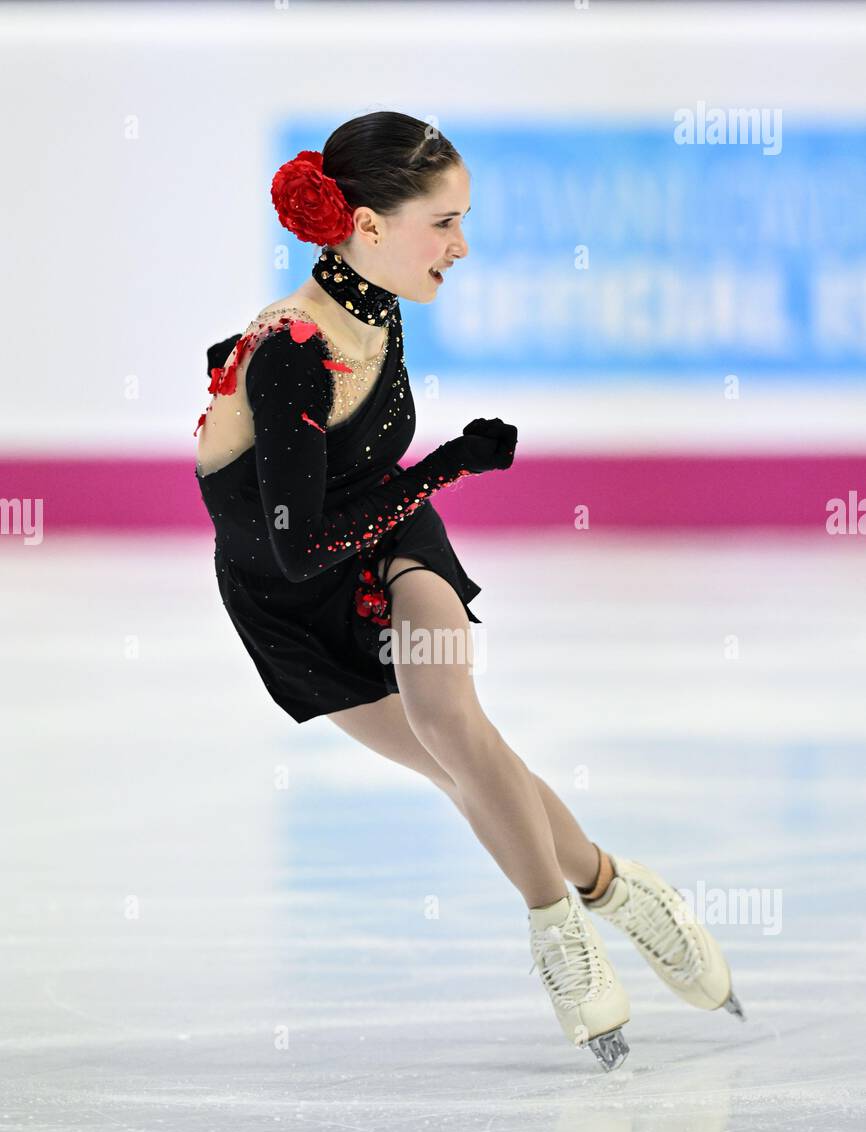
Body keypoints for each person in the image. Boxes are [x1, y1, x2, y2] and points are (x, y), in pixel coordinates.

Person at [194, 112, 744, 1072]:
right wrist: (445, 465)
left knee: (455, 722)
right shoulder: (287, 351)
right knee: (462, 765)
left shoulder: (381, 299)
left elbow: (361, 492)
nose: (463, 245)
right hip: (294, 599)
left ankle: (559, 939)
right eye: (445, 222)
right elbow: (298, 550)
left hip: (392, 541)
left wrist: (422, 490)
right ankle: (617, 890)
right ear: (368, 228)